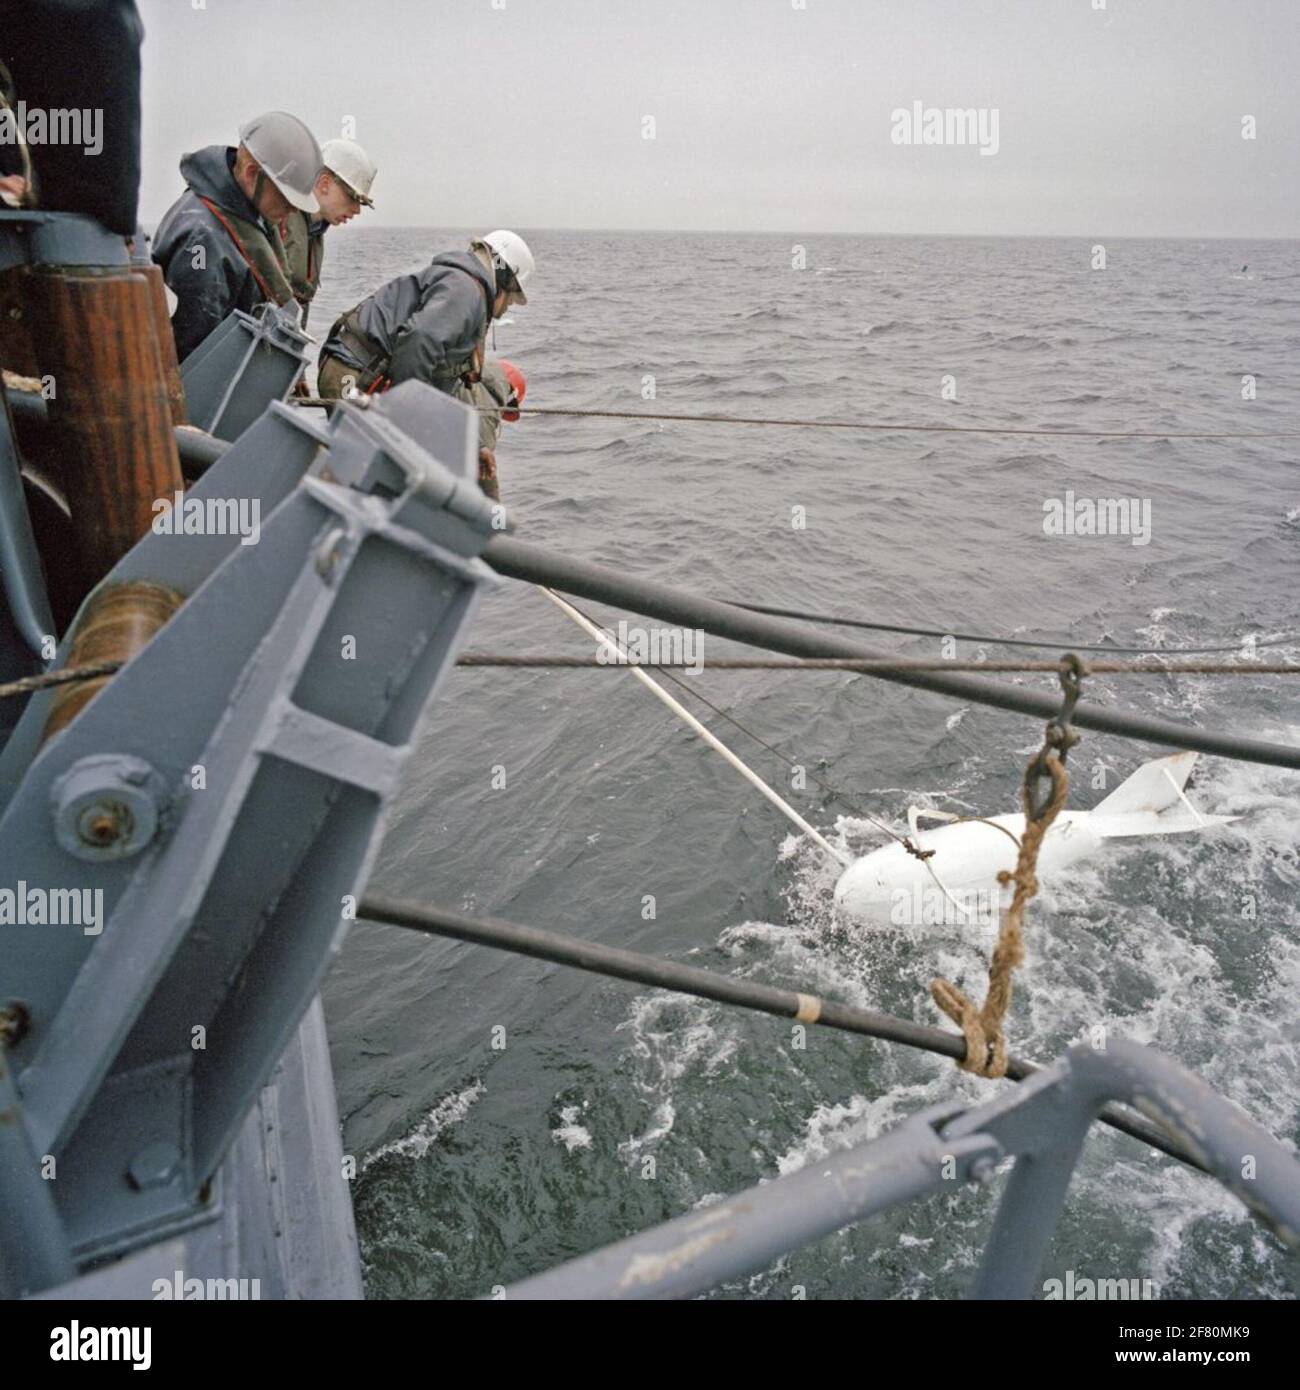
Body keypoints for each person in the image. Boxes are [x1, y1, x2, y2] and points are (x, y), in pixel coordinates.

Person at [316, 229, 534, 490]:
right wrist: (402, 416)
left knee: (365, 474)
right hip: (351, 373)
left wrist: (474, 446)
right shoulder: (465, 291)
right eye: (510, 299)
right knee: (357, 475)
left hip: (355, 372)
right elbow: (418, 342)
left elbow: (444, 383)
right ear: (505, 278)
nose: (505, 310)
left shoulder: (466, 290)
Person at [152, 111, 321, 361]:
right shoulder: (203, 240)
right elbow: (191, 358)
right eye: (287, 197)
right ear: (252, 173)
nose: (294, 209)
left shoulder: (247, 215)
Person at [278, 137, 377, 325]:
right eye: (353, 197)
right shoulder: (277, 218)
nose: (357, 210)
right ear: (324, 184)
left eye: (362, 202)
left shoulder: (314, 230)